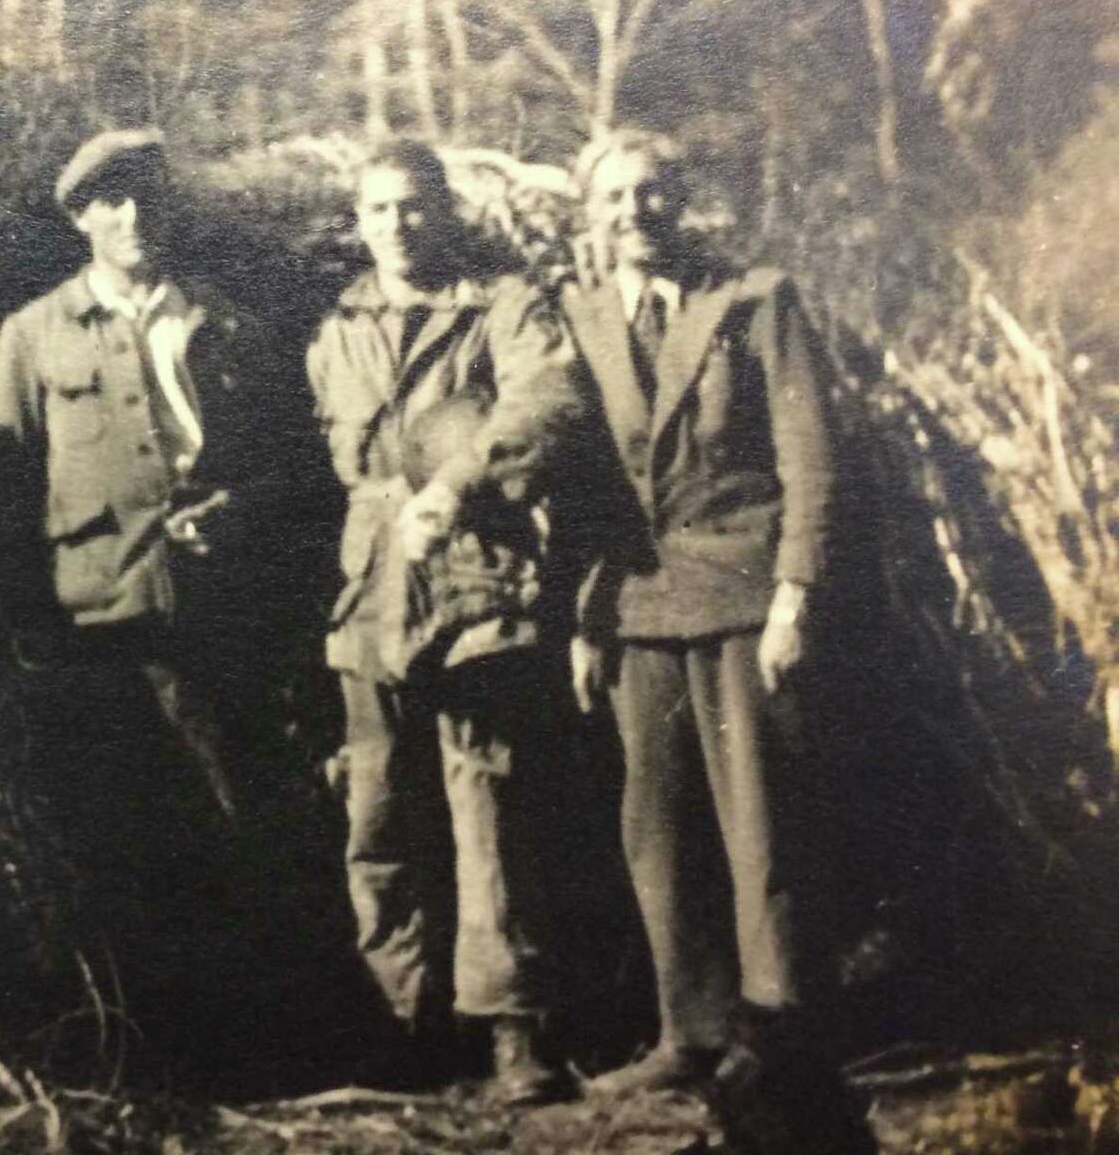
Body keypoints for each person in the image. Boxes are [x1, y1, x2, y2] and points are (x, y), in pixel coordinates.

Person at [561, 129, 849, 1118]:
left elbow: (809, 460)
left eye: (650, 193)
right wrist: (586, 619)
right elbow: (584, 485)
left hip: (740, 588)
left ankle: (778, 1029)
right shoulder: (582, 316)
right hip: (639, 599)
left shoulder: (753, 303)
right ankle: (688, 1030)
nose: (633, 212)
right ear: (588, 214)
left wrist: (794, 596)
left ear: (678, 202)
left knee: (757, 823)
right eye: (613, 198)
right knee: (657, 825)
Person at [0, 128, 274, 1078]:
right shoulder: (32, 336)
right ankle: (147, 1049)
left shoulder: (217, 322)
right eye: (111, 201)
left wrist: (241, 510)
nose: (133, 216)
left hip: (214, 611)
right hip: (96, 625)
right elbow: (3, 492)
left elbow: (282, 464)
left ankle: (250, 1043)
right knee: (122, 831)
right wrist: (28, 629)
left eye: (146, 195)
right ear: (81, 219)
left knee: (232, 817)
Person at [306, 140, 581, 1103]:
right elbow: (334, 457)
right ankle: (408, 1026)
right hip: (373, 585)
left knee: (487, 801)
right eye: (378, 210)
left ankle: (510, 1028)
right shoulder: (338, 326)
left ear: (443, 209)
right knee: (376, 807)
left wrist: (460, 484)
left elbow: (547, 398)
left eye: (413, 207)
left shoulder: (500, 304)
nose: (396, 226)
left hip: (476, 574)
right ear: (359, 218)